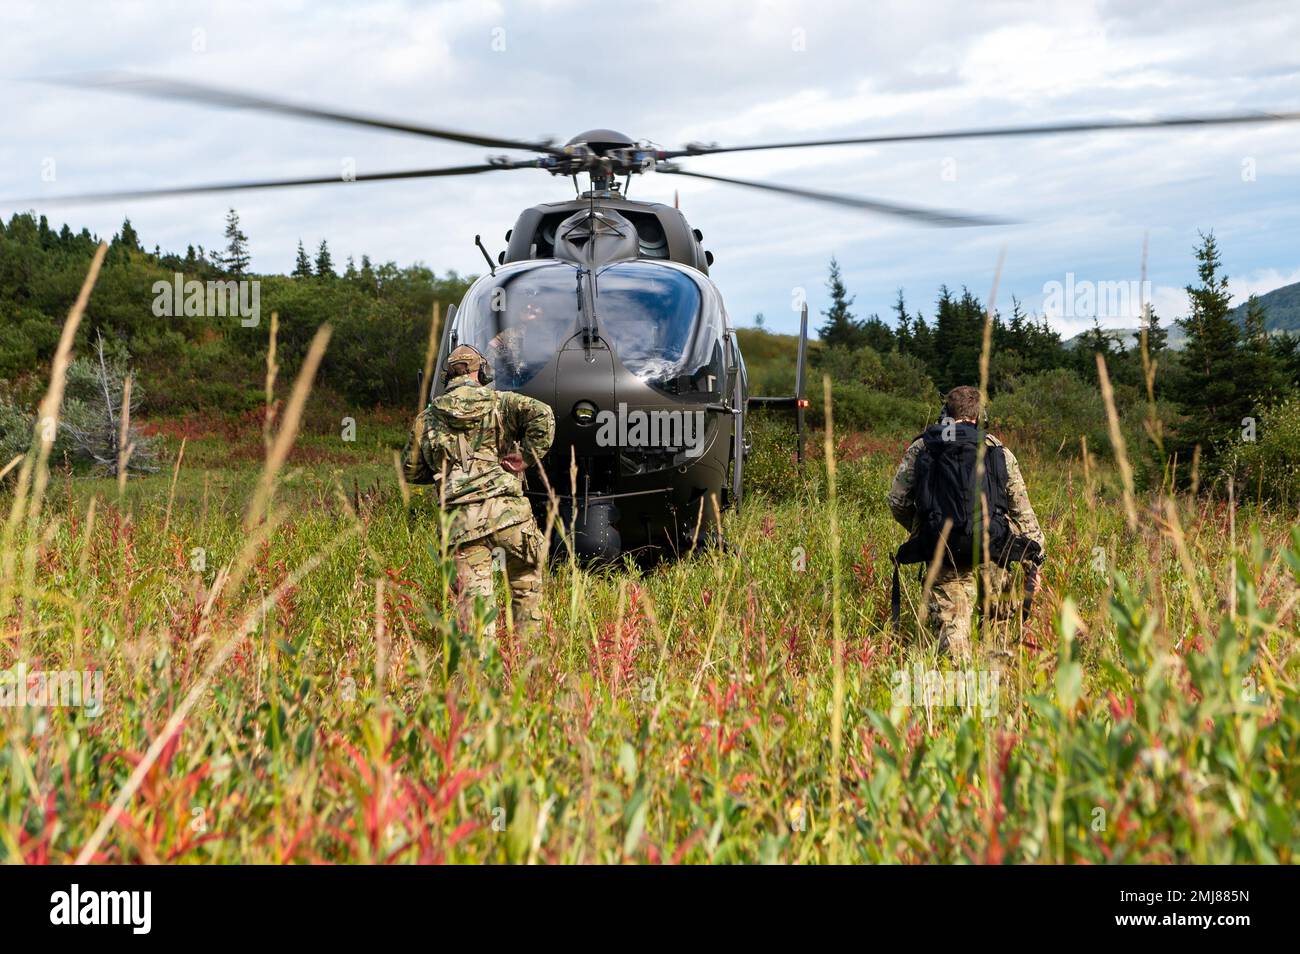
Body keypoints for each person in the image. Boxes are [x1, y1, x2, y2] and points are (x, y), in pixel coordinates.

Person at [402, 345, 555, 640]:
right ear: (480, 372)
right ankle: (531, 670)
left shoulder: (427, 418)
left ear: (448, 376)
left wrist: (445, 472)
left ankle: (481, 679)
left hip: (461, 524)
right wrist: (525, 457)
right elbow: (544, 416)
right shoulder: (502, 402)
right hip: (511, 518)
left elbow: (410, 471)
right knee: (526, 587)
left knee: (475, 612)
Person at [887, 385, 1045, 659]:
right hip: (993, 554)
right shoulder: (998, 450)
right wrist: (1035, 561)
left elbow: (897, 501)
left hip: (943, 553)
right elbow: (1024, 513)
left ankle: (961, 694)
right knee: (998, 630)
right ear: (980, 416)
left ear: (945, 414)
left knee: (955, 633)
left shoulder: (924, 446)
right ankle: (1000, 692)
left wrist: (925, 529)